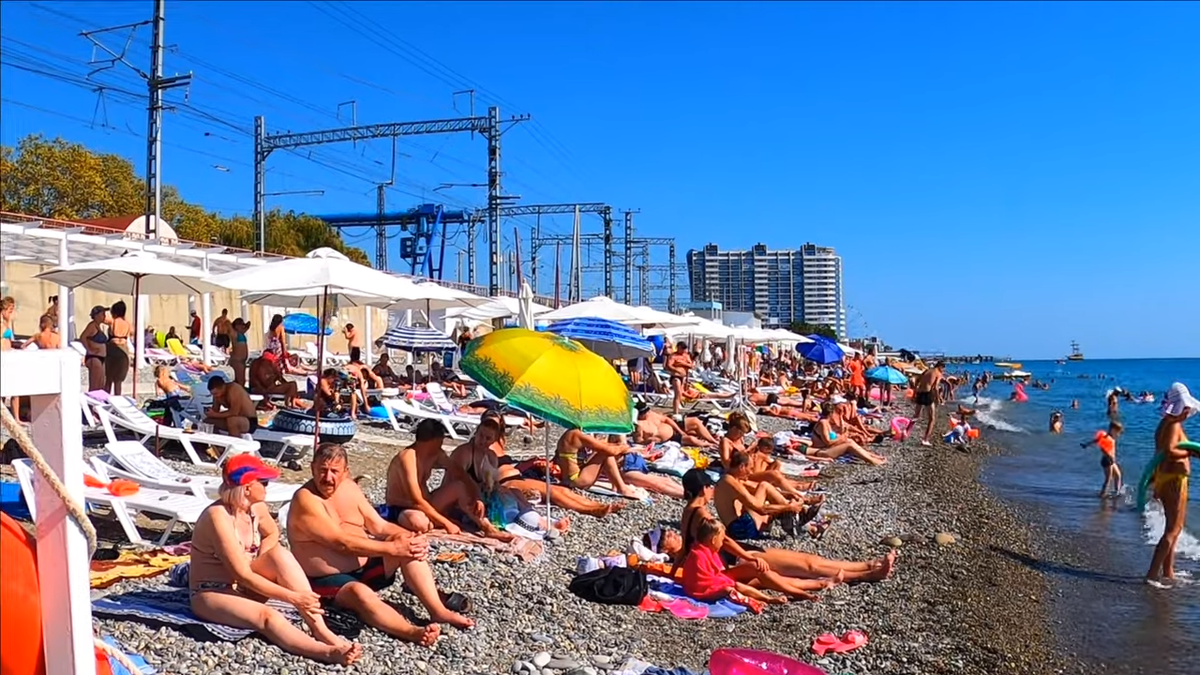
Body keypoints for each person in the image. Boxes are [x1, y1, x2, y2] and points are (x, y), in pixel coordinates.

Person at [189, 454, 361, 666]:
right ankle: (326, 652)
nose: (267, 486)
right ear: (247, 487)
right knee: (267, 616)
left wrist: (263, 557)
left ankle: (322, 631)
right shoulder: (218, 517)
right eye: (264, 482)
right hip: (212, 591)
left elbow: (271, 534)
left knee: (280, 554)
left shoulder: (255, 508)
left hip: (243, 584)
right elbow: (241, 574)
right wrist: (293, 597)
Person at [287, 443, 472, 640]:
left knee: (407, 544)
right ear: (312, 468)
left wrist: (409, 538)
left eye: (334, 471)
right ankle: (411, 632)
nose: (328, 478)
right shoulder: (305, 500)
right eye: (322, 471)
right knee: (361, 593)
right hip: (326, 580)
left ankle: (437, 610)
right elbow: (340, 543)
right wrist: (391, 548)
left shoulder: (349, 488)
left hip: (365, 567)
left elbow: (379, 526)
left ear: (345, 472)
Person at [670, 469, 895, 583]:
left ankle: (867, 565)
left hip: (732, 555)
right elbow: (726, 542)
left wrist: (672, 575)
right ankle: (867, 574)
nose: (713, 490)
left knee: (805, 562)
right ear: (703, 490)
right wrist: (749, 558)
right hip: (733, 559)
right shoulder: (701, 513)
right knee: (806, 566)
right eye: (710, 486)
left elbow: (684, 549)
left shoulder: (688, 512)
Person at [384, 419, 512, 541]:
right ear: (432, 441)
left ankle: (487, 528)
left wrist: (476, 496)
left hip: (427, 504)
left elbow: (460, 474)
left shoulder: (436, 454)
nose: (442, 445)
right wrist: (446, 523)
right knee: (419, 522)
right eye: (440, 441)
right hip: (402, 507)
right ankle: (436, 521)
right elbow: (416, 501)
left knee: (460, 487)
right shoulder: (407, 457)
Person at [1146, 383, 1197, 586]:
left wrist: (1153, 480)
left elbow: (1159, 453)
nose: (1187, 412)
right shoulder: (1173, 425)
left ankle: (1168, 571)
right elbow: (1169, 451)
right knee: (1173, 530)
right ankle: (1151, 574)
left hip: (1165, 478)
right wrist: (1190, 452)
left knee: (1173, 527)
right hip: (1174, 481)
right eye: (1185, 408)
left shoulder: (1165, 424)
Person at [680, 519, 791, 612]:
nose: (723, 543)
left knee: (736, 584)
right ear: (713, 540)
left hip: (710, 584)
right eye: (722, 539)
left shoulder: (707, 551)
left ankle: (768, 599)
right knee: (728, 589)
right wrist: (720, 583)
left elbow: (714, 574)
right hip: (699, 591)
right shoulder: (697, 555)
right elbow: (700, 581)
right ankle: (751, 603)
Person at [715, 451, 818, 540]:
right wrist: (789, 506)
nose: (751, 472)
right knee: (766, 496)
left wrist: (787, 495)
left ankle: (804, 523)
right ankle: (798, 518)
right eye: (750, 469)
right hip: (741, 529)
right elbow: (761, 509)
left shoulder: (733, 479)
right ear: (741, 467)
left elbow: (759, 489)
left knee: (764, 486)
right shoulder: (729, 483)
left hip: (743, 523)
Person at [555, 428, 642, 498]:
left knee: (601, 453)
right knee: (606, 454)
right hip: (577, 481)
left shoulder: (569, 434)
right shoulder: (577, 434)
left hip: (568, 480)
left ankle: (616, 486)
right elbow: (610, 450)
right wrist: (625, 447)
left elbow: (604, 446)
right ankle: (621, 488)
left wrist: (620, 447)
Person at [810, 403, 887, 465]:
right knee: (849, 445)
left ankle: (871, 456)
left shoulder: (826, 421)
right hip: (822, 451)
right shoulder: (823, 423)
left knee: (849, 441)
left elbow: (838, 433)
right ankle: (872, 461)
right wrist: (842, 437)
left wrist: (843, 434)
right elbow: (828, 442)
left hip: (826, 448)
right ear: (832, 413)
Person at [631, 402, 718, 448]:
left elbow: (667, 419)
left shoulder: (651, 414)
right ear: (640, 414)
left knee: (695, 421)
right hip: (670, 438)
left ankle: (713, 440)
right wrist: (648, 441)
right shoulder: (638, 425)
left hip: (673, 428)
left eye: (648, 411)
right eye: (646, 413)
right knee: (691, 439)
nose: (648, 413)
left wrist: (680, 431)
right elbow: (637, 442)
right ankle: (709, 444)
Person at [1081, 420, 1123, 497]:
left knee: (1118, 475)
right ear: (1113, 430)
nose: (1118, 434)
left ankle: (1117, 492)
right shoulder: (1107, 437)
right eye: (1118, 432)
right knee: (1108, 479)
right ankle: (1102, 494)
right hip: (1107, 460)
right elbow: (1102, 448)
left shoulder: (1108, 437)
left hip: (1111, 460)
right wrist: (1109, 456)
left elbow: (1096, 440)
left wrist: (1087, 444)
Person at [911, 361, 946, 446]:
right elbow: (936, 388)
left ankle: (905, 431)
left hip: (920, 393)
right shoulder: (938, 373)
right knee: (932, 419)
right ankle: (925, 440)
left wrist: (914, 393)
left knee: (916, 416)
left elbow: (917, 380)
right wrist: (938, 399)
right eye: (943, 369)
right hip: (927, 394)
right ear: (940, 367)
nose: (943, 371)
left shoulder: (927, 370)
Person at [80, 305, 110, 393]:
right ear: (96, 315)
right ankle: (91, 404)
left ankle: (97, 403)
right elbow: (83, 337)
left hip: (101, 357)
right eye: (102, 314)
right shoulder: (92, 326)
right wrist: (89, 350)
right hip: (94, 357)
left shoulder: (98, 326)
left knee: (100, 384)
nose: (104, 316)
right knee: (95, 385)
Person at [105, 300, 132, 396]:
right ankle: (117, 400)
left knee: (108, 379)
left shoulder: (112, 321)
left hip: (112, 348)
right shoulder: (128, 324)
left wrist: (106, 309)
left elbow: (103, 318)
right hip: (123, 349)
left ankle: (105, 400)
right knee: (118, 381)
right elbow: (132, 333)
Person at [665, 341, 694, 415]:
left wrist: (681, 363)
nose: (683, 350)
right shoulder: (673, 356)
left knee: (680, 394)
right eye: (682, 349)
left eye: (684, 349)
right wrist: (676, 369)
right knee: (677, 394)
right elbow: (668, 365)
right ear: (678, 347)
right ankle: (676, 413)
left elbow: (691, 365)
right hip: (676, 376)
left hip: (683, 377)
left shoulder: (686, 355)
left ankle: (677, 410)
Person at [230, 318, 251, 386]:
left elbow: (248, 325)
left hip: (241, 361)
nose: (243, 327)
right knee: (240, 381)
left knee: (241, 381)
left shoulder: (241, 333)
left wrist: (245, 325)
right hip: (237, 360)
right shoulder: (234, 333)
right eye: (241, 325)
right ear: (236, 326)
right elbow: (228, 325)